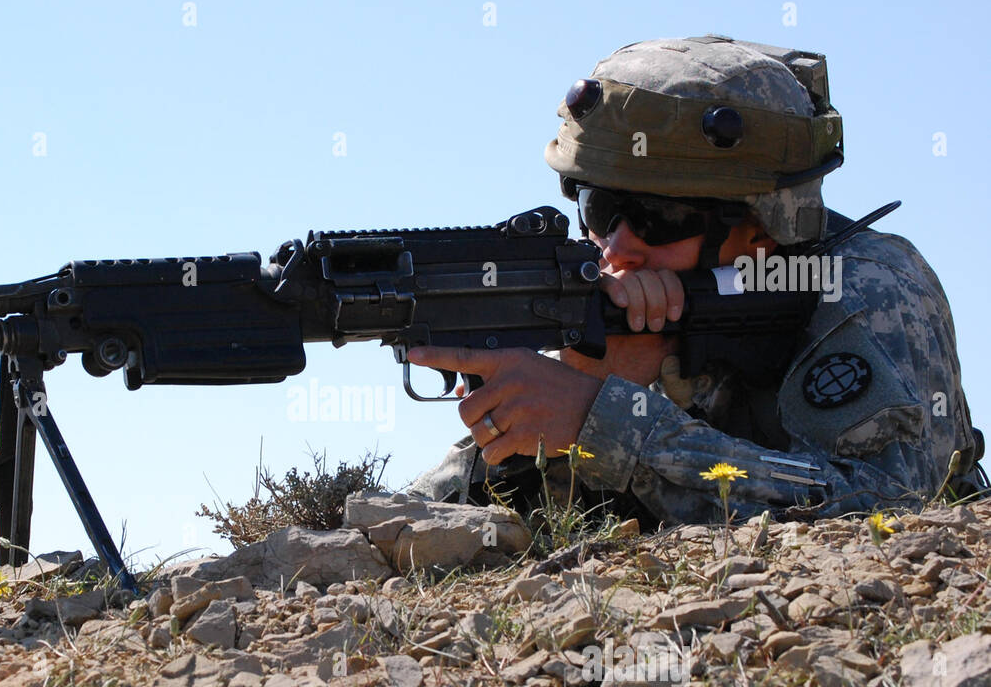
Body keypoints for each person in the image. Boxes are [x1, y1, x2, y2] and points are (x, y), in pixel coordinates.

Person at [407, 35, 984, 526]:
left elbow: (890, 505)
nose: (619, 247)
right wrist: (572, 396)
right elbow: (455, 522)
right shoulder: (607, 301)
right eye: (600, 208)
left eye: (663, 218)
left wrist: (603, 419)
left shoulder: (871, 290)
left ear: (760, 229)